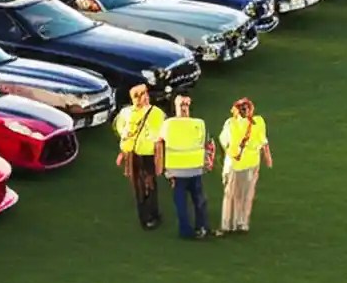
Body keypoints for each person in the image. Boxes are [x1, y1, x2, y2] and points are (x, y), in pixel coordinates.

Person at [156, 95, 216, 239]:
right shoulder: (171, 124)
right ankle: (193, 229)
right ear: (175, 107)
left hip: (191, 170)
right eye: (181, 105)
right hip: (181, 171)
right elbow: (159, 145)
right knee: (187, 203)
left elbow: (207, 144)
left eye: (186, 105)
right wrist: (161, 167)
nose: (184, 108)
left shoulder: (195, 123)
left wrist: (208, 161)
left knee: (194, 201)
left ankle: (199, 228)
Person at [114, 84, 166, 230]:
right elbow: (160, 133)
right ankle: (150, 217)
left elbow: (119, 128)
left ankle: (147, 216)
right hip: (145, 154)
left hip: (133, 153)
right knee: (148, 185)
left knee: (140, 186)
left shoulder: (126, 112)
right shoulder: (155, 112)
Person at [217, 97, 272, 235]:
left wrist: (267, 157)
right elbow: (225, 143)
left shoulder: (257, 122)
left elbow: (263, 141)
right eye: (242, 108)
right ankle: (229, 224)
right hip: (235, 164)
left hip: (250, 164)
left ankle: (241, 223)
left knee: (245, 194)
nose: (245, 110)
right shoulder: (231, 123)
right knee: (232, 194)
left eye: (247, 107)